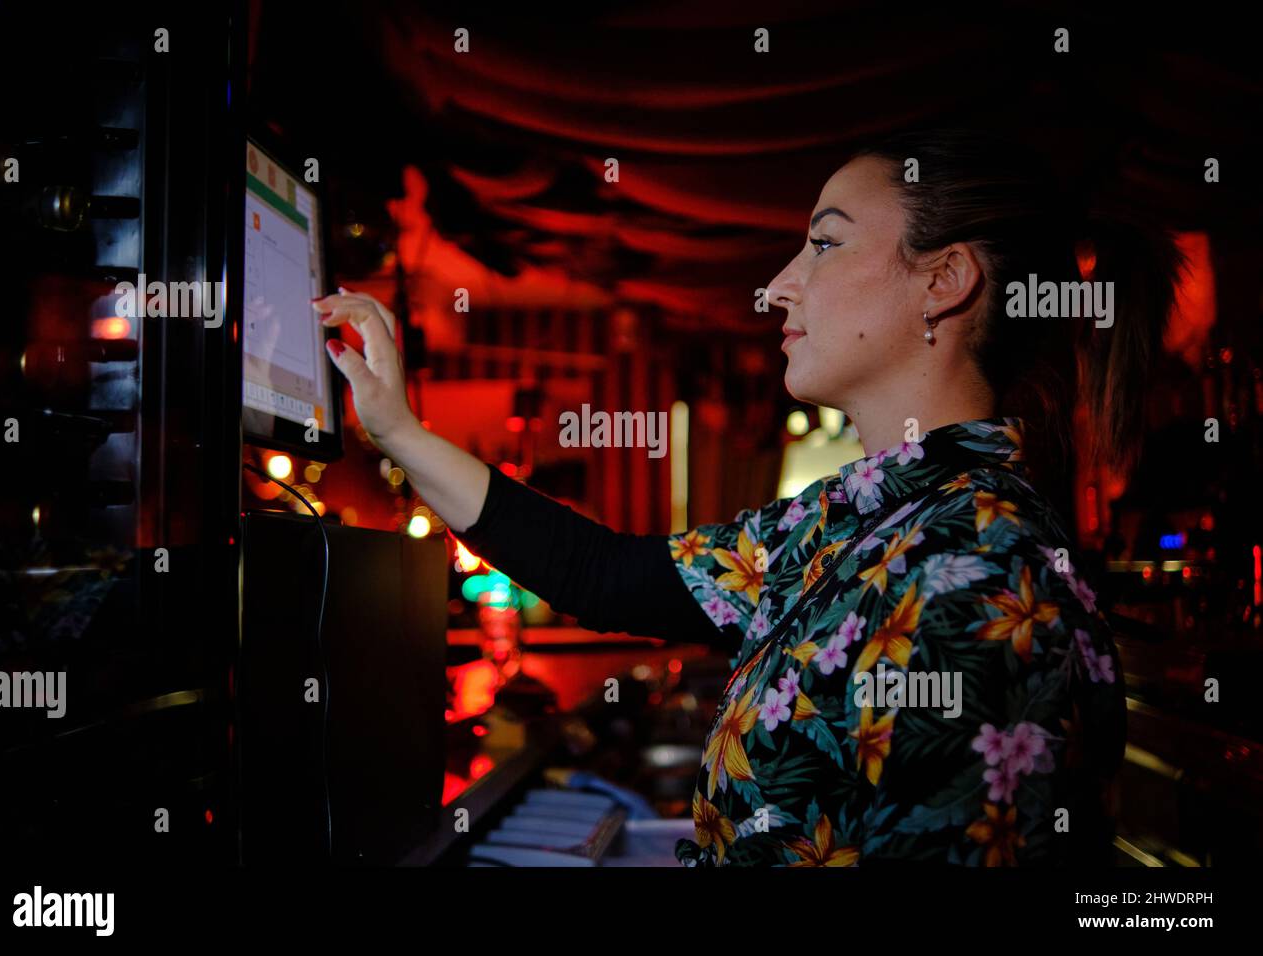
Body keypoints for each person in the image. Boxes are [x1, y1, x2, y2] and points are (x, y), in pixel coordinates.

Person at [313, 127, 1184, 866]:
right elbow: (607, 574)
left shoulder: (975, 576)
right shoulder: (860, 520)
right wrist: (398, 431)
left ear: (943, 281)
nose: (777, 285)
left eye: (826, 242)